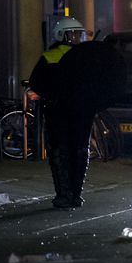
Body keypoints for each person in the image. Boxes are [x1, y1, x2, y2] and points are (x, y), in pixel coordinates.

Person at [27, 18, 91, 209]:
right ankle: (76, 194)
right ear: (64, 34)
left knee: (60, 152)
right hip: (82, 112)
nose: (78, 37)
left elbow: (37, 83)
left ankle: (64, 194)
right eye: (74, 33)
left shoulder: (49, 57)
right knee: (79, 151)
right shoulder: (86, 57)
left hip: (58, 112)